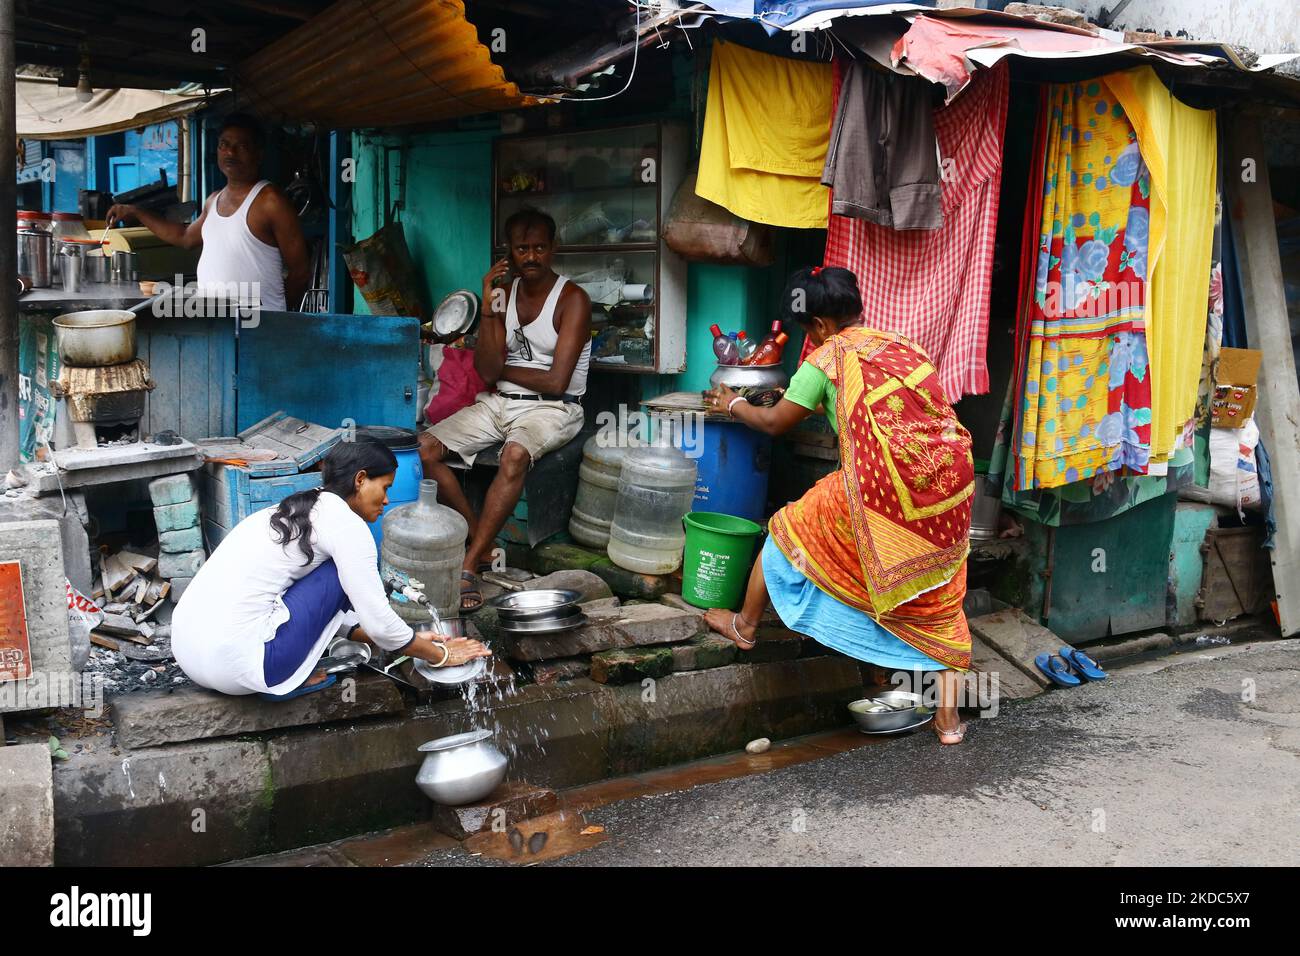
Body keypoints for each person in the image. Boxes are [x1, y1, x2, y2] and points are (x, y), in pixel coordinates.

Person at [703, 267, 976, 745]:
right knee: (938, 596)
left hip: (879, 490)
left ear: (822, 326)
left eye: (808, 329)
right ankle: (948, 722)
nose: (809, 338)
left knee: (786, 530)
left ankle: (745, 625)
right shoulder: (902, 345)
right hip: (946, 485)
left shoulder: (826, 358)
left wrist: (731, 404)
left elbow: (773, 423)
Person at [172, 440, 491, 699]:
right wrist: (439, 655)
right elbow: (379, 621)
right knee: (337, 576)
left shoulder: (291, 511)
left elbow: (321, 606)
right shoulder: (348, 527)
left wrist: (366, 633)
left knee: (332, 576)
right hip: (241, 668)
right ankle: (287, 678)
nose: (386, 501)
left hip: (191, 657)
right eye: (385, 488)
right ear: (361, 479)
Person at [419, 208, 591, 612]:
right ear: (509, 253)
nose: (531, 257)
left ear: (553, 249)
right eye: (521, 249)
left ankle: (468, 566)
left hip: (554, 409)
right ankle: (482, 540)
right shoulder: (502, 296)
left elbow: (555, 382)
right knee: (424, 448)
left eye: (539, 248)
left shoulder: (573, 299)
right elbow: (485, 370)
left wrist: (504, 369)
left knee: (515, 455)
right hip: (498, 403)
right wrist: (492, 306)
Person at [105, 112, 310, 313]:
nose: (230, 152)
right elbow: (185, 237)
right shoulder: (213, 200)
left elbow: (300, 272)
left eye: (241, 146)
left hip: (258, 328)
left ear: (259, 154)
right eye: (224, 144)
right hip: (215, 324)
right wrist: (136, 212)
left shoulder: (270, 201)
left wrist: (276, 316)